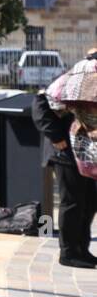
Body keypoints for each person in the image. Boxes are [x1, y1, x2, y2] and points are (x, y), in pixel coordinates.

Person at [31, 47, 97, 269]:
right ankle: (68, 253)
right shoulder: (73, 79)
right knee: (73, 201)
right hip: (66, 152)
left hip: (86, 153)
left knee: (89, 202)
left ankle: (82, 249)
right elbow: (40, 104)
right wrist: (56, 137)